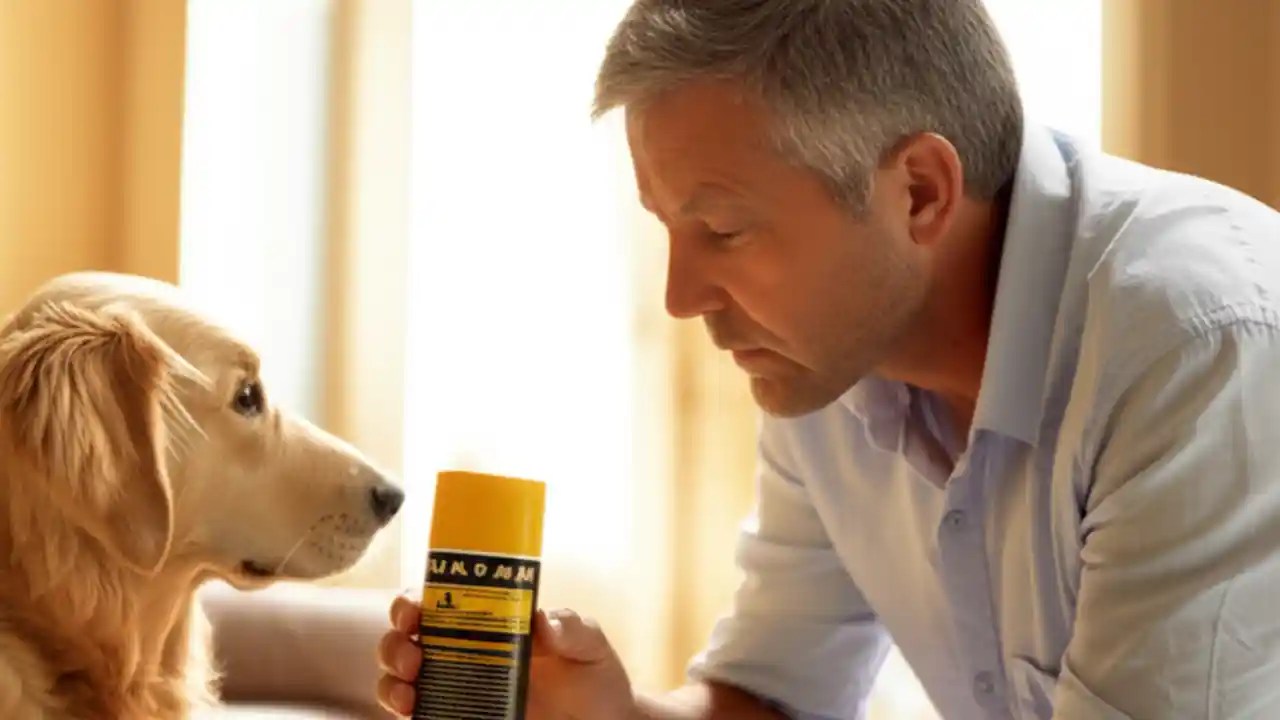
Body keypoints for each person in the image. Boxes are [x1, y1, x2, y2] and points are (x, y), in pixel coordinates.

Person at [378, 0, 1280, 718]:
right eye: (667, 228)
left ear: (920, 192)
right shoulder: (828, 366)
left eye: (723, 228)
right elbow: (775, 696)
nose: (681, 297)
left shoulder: (1198, 346)